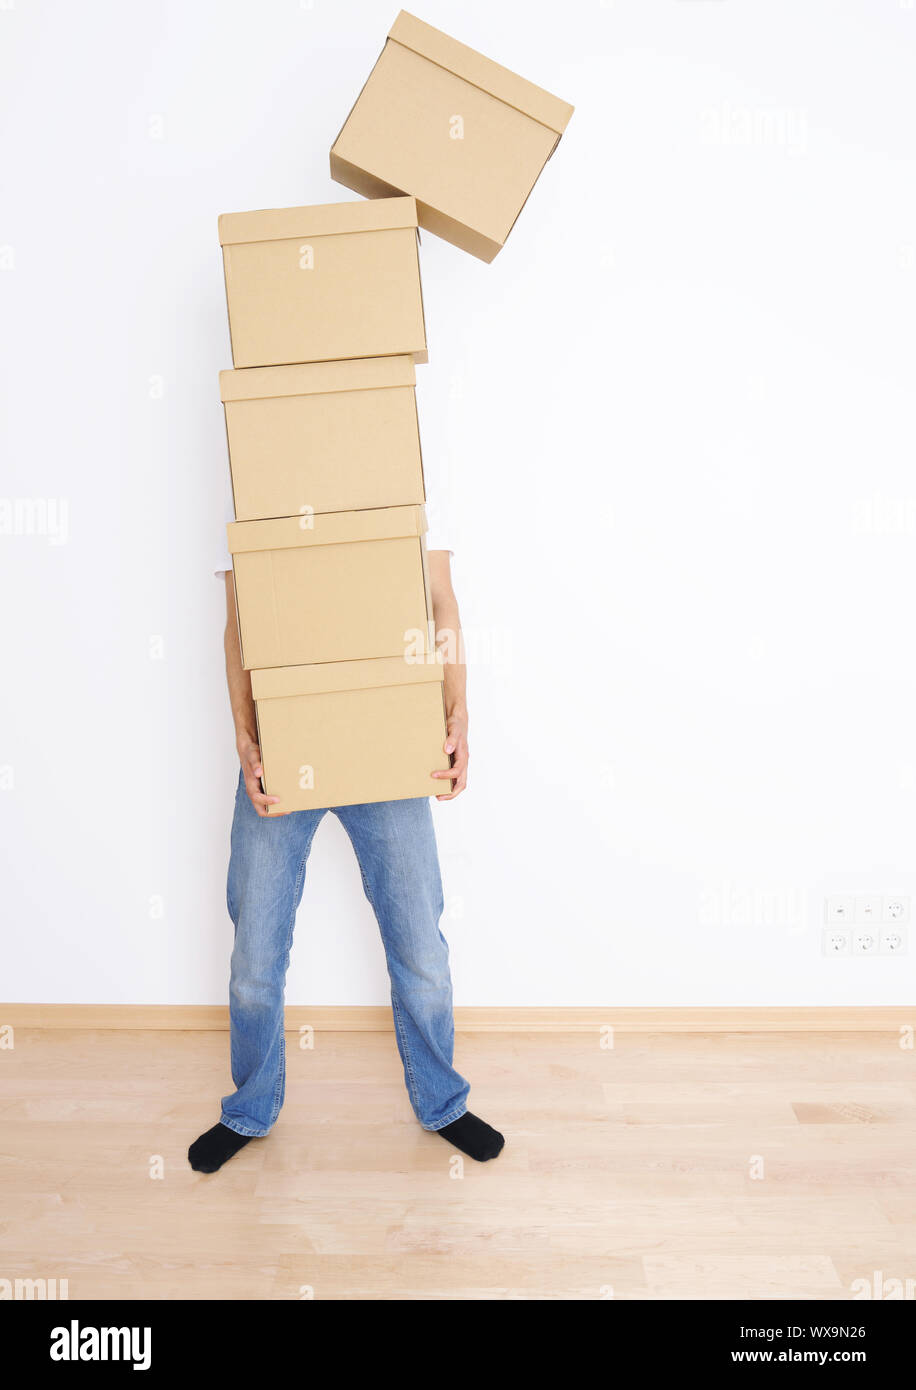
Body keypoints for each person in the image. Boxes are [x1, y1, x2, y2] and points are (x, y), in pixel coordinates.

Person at [188, 488, 504, 1173]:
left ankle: (442, 1101)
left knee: (420, 944)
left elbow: (439, 599)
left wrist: (459, 715)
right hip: (286, 747)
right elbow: (239, 621)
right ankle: (250, 1108)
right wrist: (245, 738)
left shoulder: (399, 465)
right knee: (255, 956)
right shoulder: (255, 473)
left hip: (384, 747)